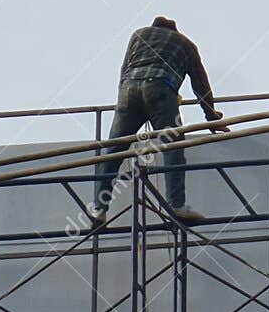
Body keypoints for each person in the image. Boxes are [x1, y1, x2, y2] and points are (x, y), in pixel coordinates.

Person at [90, 17, 227, 226]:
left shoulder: (139, 34)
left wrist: (123, 102)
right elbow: (200, 83)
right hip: (161, 91)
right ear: (175, 30)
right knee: (173, 147)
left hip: (129, 91)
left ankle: (98, 210)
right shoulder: (186, 44)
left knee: (113, 151)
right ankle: (176, 205)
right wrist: (210, 116)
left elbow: (124, 69)